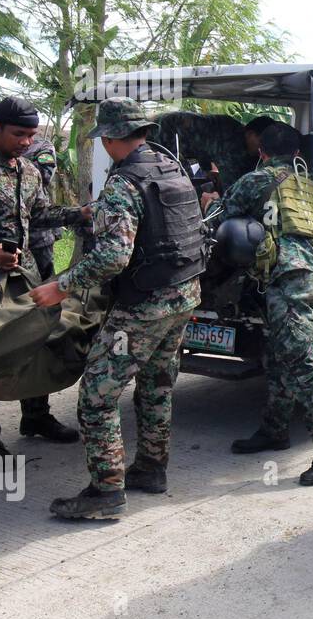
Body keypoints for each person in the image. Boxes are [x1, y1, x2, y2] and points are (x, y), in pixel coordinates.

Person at [30, 98, 205, 519]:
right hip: (184, 295)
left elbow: (113, 257)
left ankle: (106, 492)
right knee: (156, 384)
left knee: (96, 398)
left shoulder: (124, 184)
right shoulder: (173, 171)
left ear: (109, 139)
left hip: (144, 306)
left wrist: (62, 287)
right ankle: (150, 467)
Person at [0, 96, 88, 455]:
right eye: (19, 134)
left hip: (24, 274)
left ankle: (36, 416)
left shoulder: (28, 171)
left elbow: (40, 214)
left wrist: (80, 213)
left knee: (36, 341)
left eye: (31, 135)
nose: (26, 141)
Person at [210, 122, 313, 485]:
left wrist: (211, 200)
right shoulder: (306, 182)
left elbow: (224, 217)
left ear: (262, 152)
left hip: (288, 279)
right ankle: (275, 428)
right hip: (308, 273)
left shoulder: (258, 179)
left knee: (301, 361)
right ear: (298, 152)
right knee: (278, 354)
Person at [23, 133, 61, 280]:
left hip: (38, 233)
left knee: (43, 282)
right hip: (7, 236)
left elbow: (45, 175)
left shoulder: (42, 146)